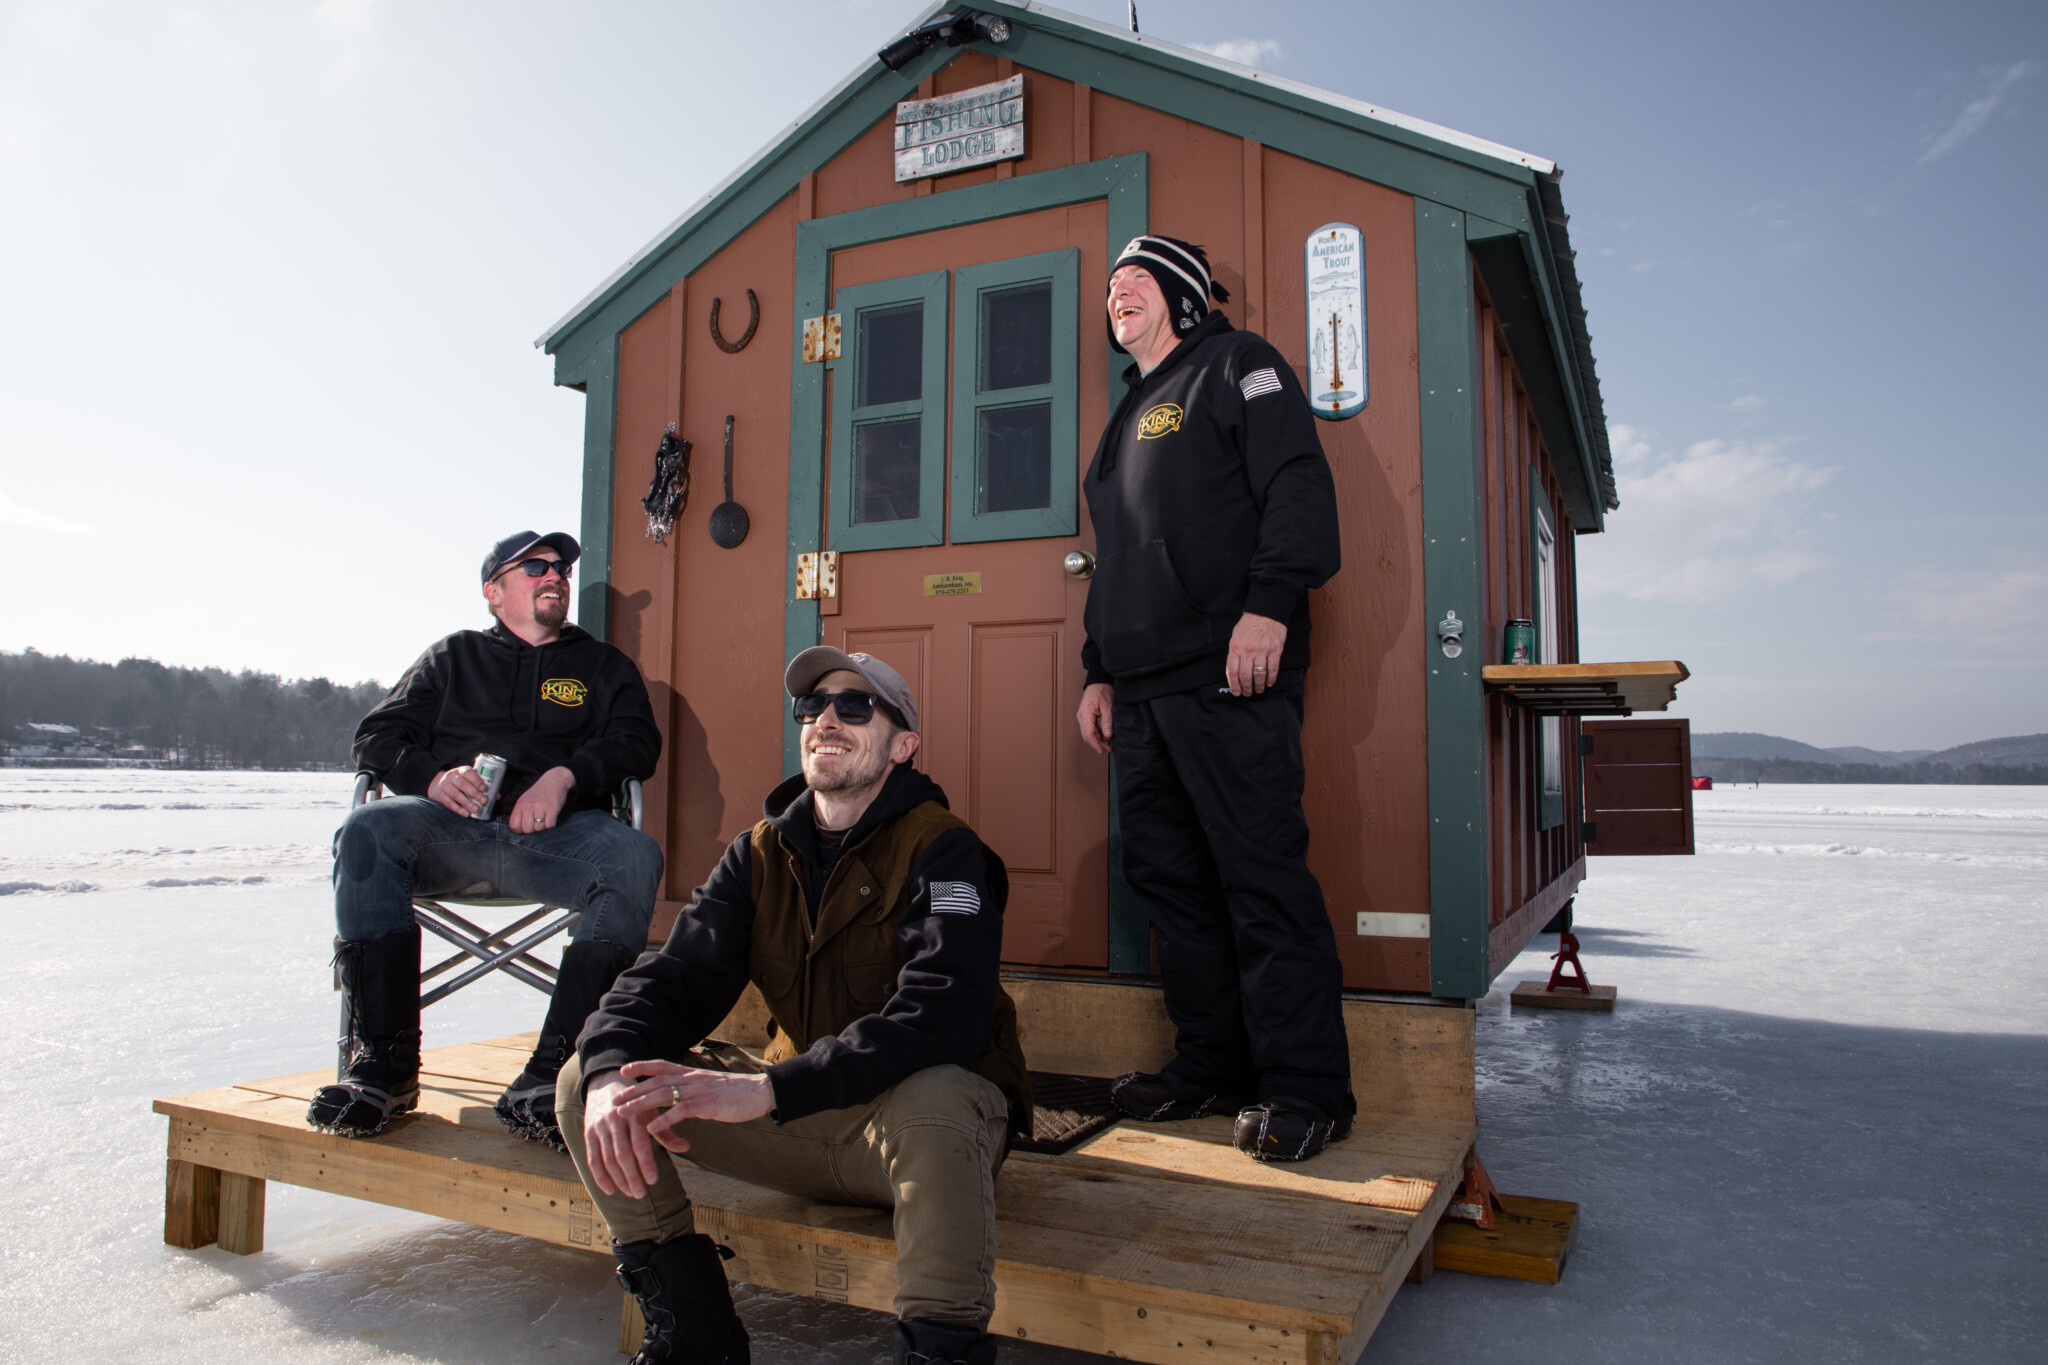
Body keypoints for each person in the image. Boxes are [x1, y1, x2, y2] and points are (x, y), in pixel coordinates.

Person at [559, 647, 1029, 1365]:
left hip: (917, 1140)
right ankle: (695, 1334)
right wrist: (606, 1067)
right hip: (803, 1120)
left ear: (903, 744)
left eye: (856, 705)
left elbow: (947, 1014)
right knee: (593, 1082)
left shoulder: (945, 850)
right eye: (813, 706)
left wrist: (771, 1088)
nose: (827, 719)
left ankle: (939, 1348)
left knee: (938, 1093)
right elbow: (675, 976)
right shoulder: (758, 852)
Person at [1075, 235, 1352, 1163]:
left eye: (1137, 281)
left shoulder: (1238, 365)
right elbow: (1117, 556)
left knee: (1259, 878)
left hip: (1228, 674)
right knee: (1173, 888)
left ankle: (1308, 1088)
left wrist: (1268, 606)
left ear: (1185, 297)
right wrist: (1097, 669)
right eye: (1110, 288)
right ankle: (1210, 1065)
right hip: (1144, 693)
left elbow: (1299, 488)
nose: (1117, 294)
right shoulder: (1126, 415)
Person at [307, 529, 663, 1152]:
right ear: (493, 591)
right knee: (366, 829)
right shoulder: (453, 657)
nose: (555, 575)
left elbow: (636, 744)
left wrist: (564, 776)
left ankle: (552, 1075)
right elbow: (376, 738)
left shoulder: (601, 666)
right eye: (536, 567)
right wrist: (432, 778)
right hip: (448, 837)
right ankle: (382, 1069)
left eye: (561, 569)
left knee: (633, 854)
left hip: (557, 842)